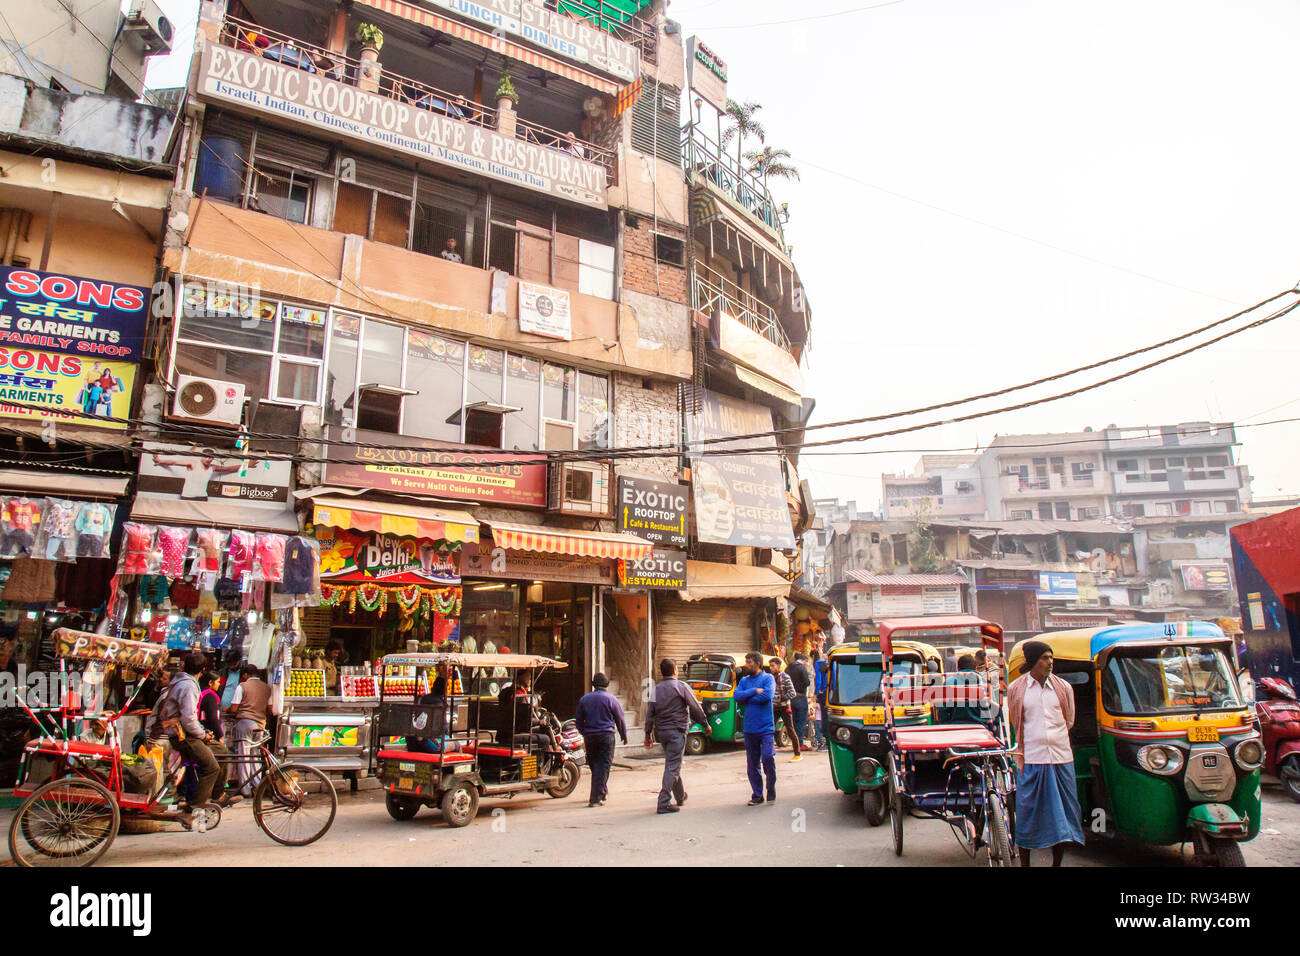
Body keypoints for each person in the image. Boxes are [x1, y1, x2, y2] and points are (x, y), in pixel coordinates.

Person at [1007, 641, 1084, 867]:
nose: (1050, 662)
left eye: (1051, 657)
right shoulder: (1016, 690)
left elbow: (1069, 721)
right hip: (1031, 760)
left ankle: (1056, 864)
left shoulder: (1063, 688)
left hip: (1061, 759)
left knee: (1062, 817)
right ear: (1032, 661)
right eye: (1044, 658)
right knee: (1028, 814)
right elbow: (1016, 723)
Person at [161, 652, 232, 829]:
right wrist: (202, 734)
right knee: (211, 767)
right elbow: (188, 720)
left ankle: (218, 794)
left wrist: (203, 733)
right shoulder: (188, 686)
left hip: (189, 733)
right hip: (183, 736)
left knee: (222, 752)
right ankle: (191, 810)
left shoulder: (182, 683)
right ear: (202, 670)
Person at [644, 658, 707, 815]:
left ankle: (680, 796)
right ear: (675, 671)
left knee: (673, 763)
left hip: (662, 733)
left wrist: (647, 734)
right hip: (676, 732)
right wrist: (705, 724)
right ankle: (663, 802)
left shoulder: (655, 690)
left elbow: (649, 714)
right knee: (672, 766)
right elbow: (695, 707)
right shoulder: (681, 686)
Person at [574, 672, 627, 807]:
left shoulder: (584, 699)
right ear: (607, 685)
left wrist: (584, 732)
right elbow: (619, 719)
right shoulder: (611, 699)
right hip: (606, 736)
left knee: (595, 765)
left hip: (590, 737)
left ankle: (602, 791)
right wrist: (623, 735)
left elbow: (578, 721)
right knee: (603, 766)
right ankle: (595, 798)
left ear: (593, 685)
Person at [734, 652, 777, 806]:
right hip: (749, 728)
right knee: (752, 764)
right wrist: (753, 692)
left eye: (749, 662)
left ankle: (770, 788)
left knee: (767, 757)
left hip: (766, 728)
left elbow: (767, 696)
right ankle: (757, 795)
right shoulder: (745, 681)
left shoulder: (768, 678)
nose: (747, 665)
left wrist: (748, 699)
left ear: (758, 663)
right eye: (746, 662)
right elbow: (737, 696)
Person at [225, 664, 271, 797]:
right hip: (260, 725)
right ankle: (257, 786)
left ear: (245, 674)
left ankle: (245, 789)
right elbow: (270, 707)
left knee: (244, 756)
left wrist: (226, 709)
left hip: (245, 723)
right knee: (255, 755)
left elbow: (234, 708)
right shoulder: (266, 688)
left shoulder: (242, 686)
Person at [768, 658, 802, 761]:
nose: (771, 668)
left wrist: (782, 698)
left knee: (790, 729)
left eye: (773, 666)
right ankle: (768, 753)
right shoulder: (770, 678)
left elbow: (793, 693)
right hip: (774, 707)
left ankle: (797, 754)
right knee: (769, 729)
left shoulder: (785, 677)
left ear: (778, 666)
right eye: (770, 666)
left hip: (784, 707)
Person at [789, 653, 812, 749]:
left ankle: (795, 743)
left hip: (791, 698)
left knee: (794, 721)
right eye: (807, 662)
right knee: (801, 721)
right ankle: (800, 743)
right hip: (800, 697)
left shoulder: (788, 668)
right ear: (804, 660)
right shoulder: (801, 668)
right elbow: (807, 682)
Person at [197, 672, 224, 741]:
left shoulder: (202, 694)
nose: (219, 684)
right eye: (218, 682)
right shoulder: (210, 696)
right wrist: (220, 735)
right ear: (210, 683)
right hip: (211, 734)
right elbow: (213, 717)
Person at [812, 649, 829, 750]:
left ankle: (825, 741)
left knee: (823, 717)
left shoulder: (818, 663)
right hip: (831, 692)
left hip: (823, 693)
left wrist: (816, 693)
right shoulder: (831, 662)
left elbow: (818, 680)